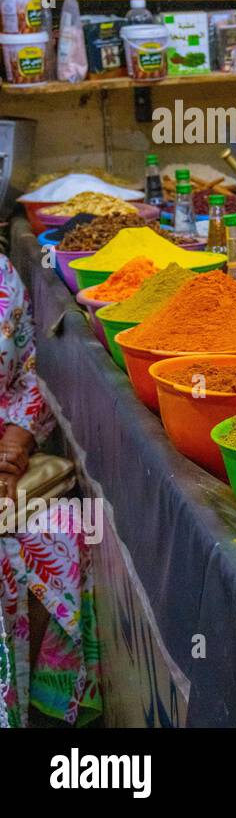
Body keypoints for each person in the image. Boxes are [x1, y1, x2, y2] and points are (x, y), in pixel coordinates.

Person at [0, 254, 101, 727]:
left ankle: (29, 708)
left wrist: (13, 449)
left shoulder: (1, 275)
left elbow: (24, 377)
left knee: (65, 529)